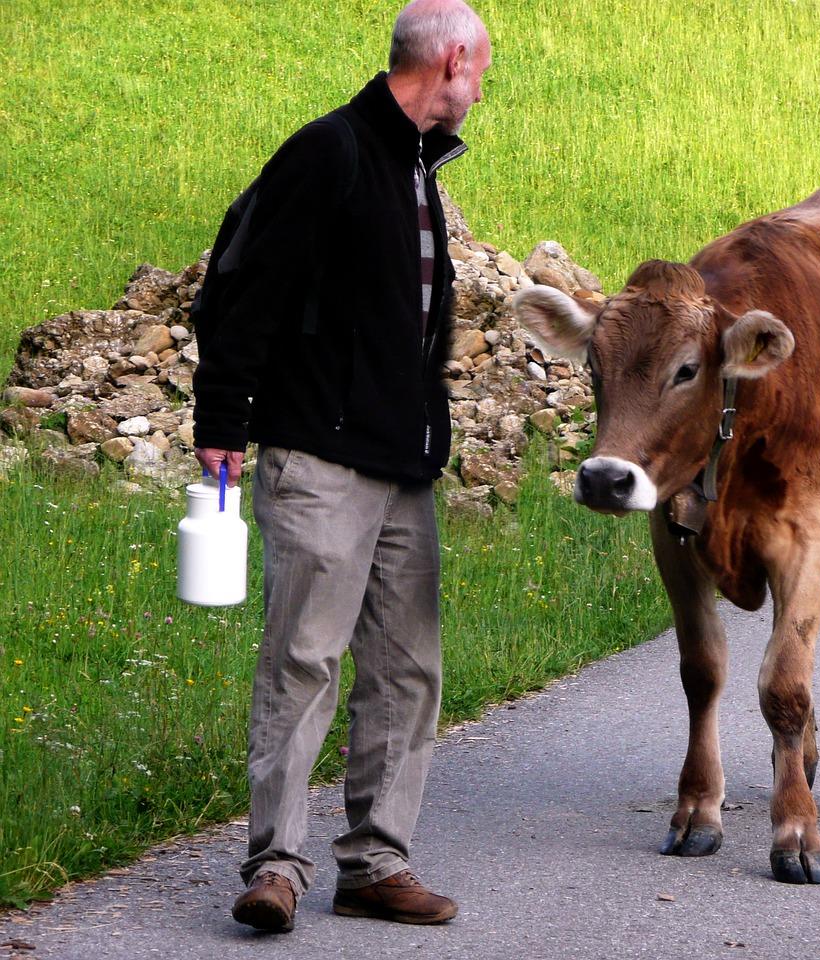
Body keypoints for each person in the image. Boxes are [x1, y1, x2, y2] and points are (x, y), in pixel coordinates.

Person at [192, 0, 491, 933]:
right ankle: (275, 866)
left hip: (404, 465)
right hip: (318, 455)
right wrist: (222, 419)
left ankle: (374, 864)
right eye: (480, 70)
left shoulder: (413, 169)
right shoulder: (328, 153)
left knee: (406, 670)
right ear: (449, 62)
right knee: (305, 661)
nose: (481, 88)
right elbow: (241, 286)